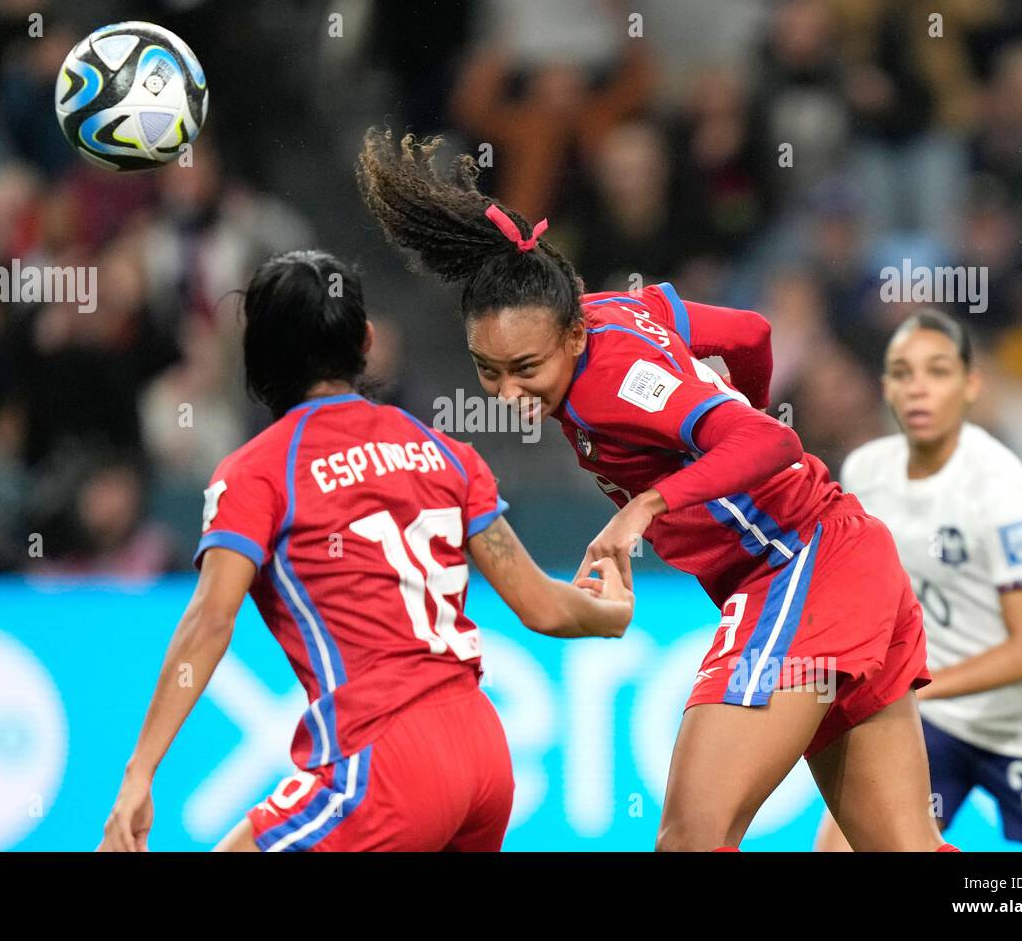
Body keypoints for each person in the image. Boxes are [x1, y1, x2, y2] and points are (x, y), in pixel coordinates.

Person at [356, 128, 955, 851]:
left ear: (574, 337)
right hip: (848, 559)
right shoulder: (622, 310)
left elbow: (773, 441)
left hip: (798, 571)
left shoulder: (611, 386)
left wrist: (655, 499)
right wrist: (735, 427)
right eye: (488, 370)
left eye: (525, 367)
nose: (509, 391)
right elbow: (750, 334)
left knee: (689, 840)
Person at [98, 250, 633, 853]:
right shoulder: (446, 453)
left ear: (257, 354)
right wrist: (611, 613)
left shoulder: (259, 473)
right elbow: (543, 607)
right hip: (482, 754)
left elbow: (211, 619)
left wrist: (139, 772)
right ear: (367, 340)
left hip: (382, 757)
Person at [815, 310, 1022, 852]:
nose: (919, 388)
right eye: (902, 372)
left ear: (970, 386)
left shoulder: (1002, 487)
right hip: (926, 723)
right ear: (885, 386)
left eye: (938, 371)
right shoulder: (865, 471)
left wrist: (912, 686)